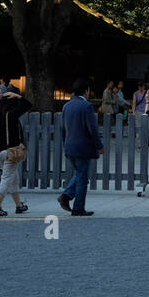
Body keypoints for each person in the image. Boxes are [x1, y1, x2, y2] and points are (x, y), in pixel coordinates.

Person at [59, 77, 101, 216]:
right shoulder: (87, 106)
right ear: (86, 91)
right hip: (83, 147)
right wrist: (99, 145)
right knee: (82, 178)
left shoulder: (66, 106)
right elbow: (92, 129)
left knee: (80, 174)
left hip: (70, 145)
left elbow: (63, 129)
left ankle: (67, 195)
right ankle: (77, 207)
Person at [0, 85, 32, 216]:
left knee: (14, 179)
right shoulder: (11, 114)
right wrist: (19, 96)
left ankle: (19, 206)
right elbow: (28, 105)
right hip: (11, 152)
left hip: (0, 152)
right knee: (7, 179)